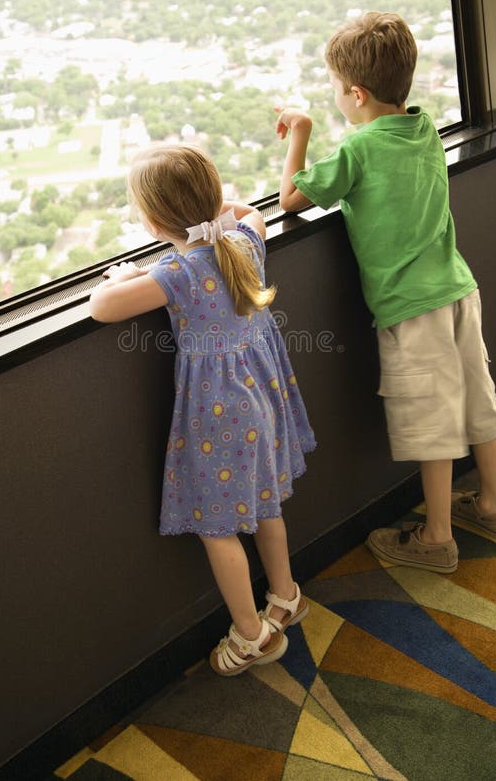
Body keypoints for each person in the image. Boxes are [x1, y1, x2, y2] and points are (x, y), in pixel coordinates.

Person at [274, 11, 496, 574]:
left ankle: (436, 538)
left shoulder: (357, 152)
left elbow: (290, 199)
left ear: (354, 94)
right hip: (458, 289)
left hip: (411, 309)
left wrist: (302, 132)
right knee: (480, 403)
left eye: (337, 90)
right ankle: (493, 505)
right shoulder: (424, 127)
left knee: (433, 424)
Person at [90, 144, 316, 674]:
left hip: (220, 415)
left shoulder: (178, 273)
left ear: (151, 221)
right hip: (261, 398)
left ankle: (253, 635)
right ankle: (285, 596)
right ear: (212, 198)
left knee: (218, 527)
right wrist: (220, 211)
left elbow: (100, 308)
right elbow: (252, 214)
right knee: (266, 503)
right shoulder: (243, 243)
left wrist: (124, 278)